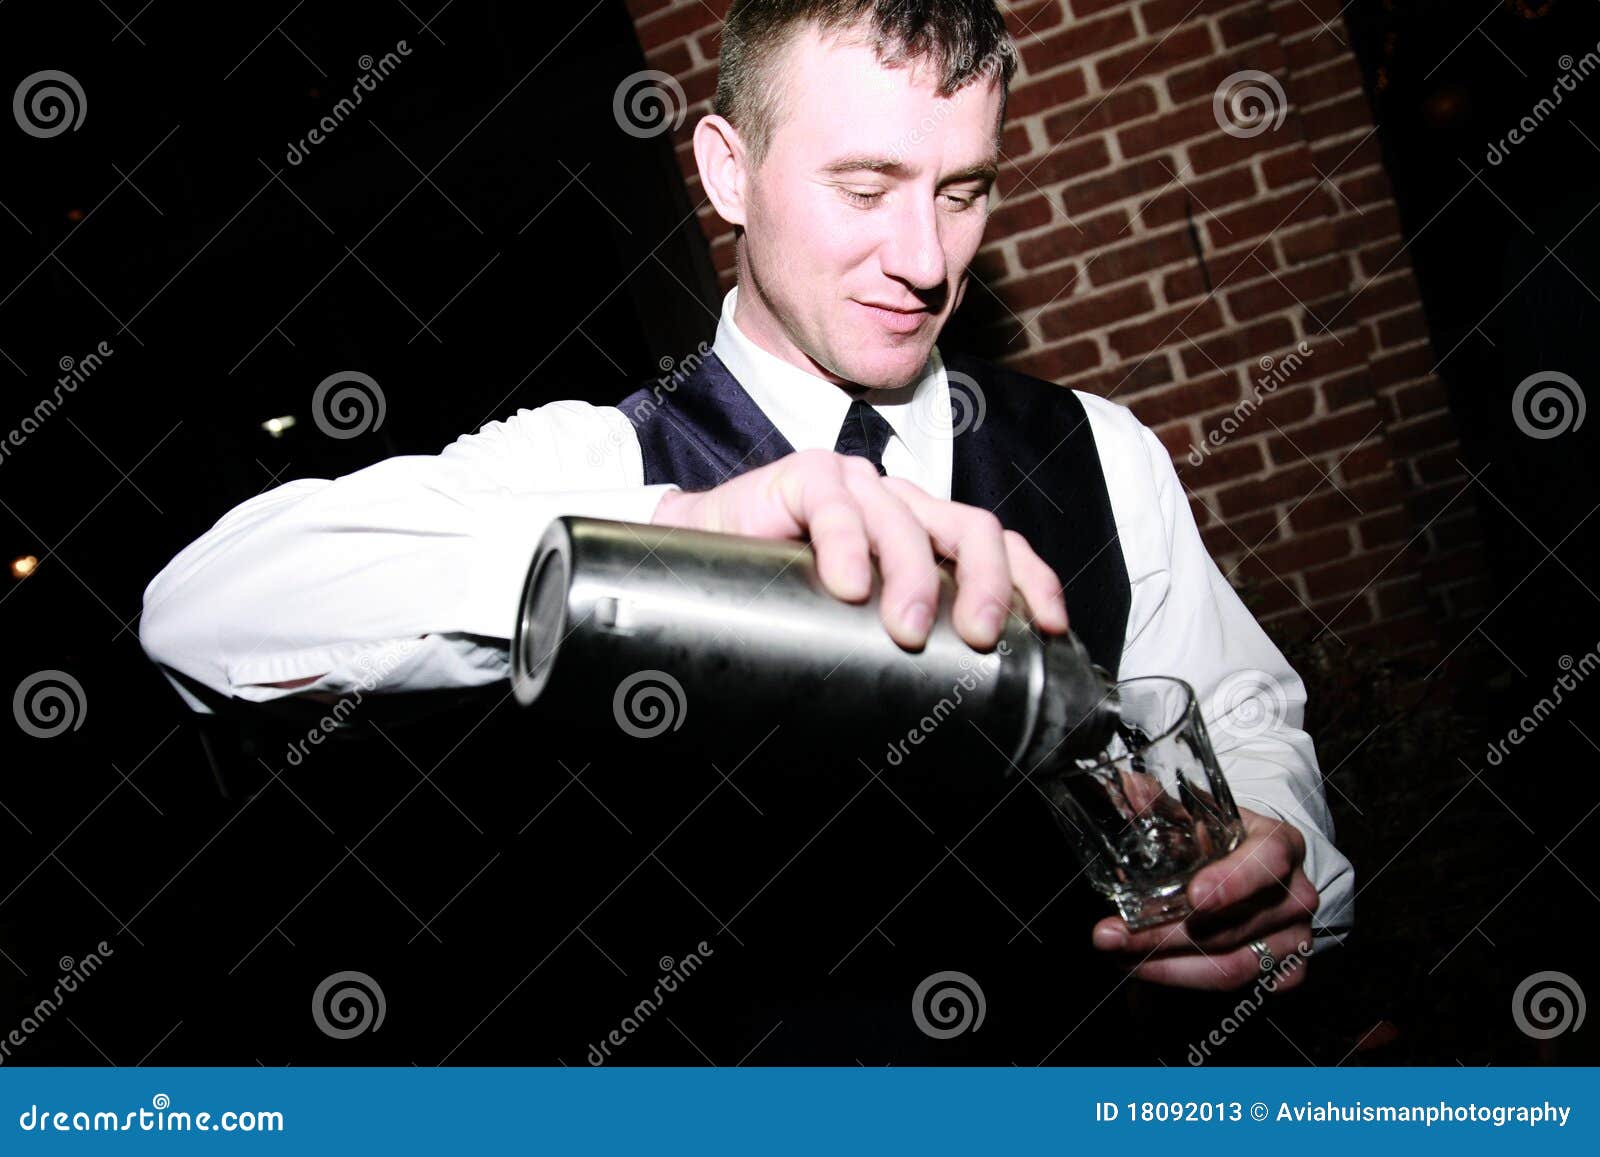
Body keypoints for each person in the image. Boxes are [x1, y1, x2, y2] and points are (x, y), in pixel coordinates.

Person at [139, 0, 1352, 1032]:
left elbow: (1237, 710)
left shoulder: (1100, 449)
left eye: (964, 191)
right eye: (865, 186)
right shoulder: (601, 460)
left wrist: (1270, 847)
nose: (928, 259)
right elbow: (201, 615)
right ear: (727, 171)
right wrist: (672, 531)